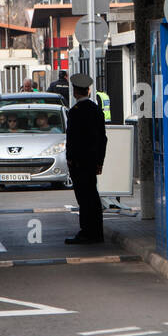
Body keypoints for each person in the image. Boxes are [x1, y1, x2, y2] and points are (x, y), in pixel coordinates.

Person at [64, 72, 107, 244]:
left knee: (83, 197)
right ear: (88, 91)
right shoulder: (96, 110)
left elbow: (72, 139)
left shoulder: (75, 112)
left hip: (79, 163)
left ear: (75, 92)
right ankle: (97, 232)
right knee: (93, 197)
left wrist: (70, 158)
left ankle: (86, 232)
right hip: (92, 161)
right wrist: (99, 161)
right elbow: (102, 138)